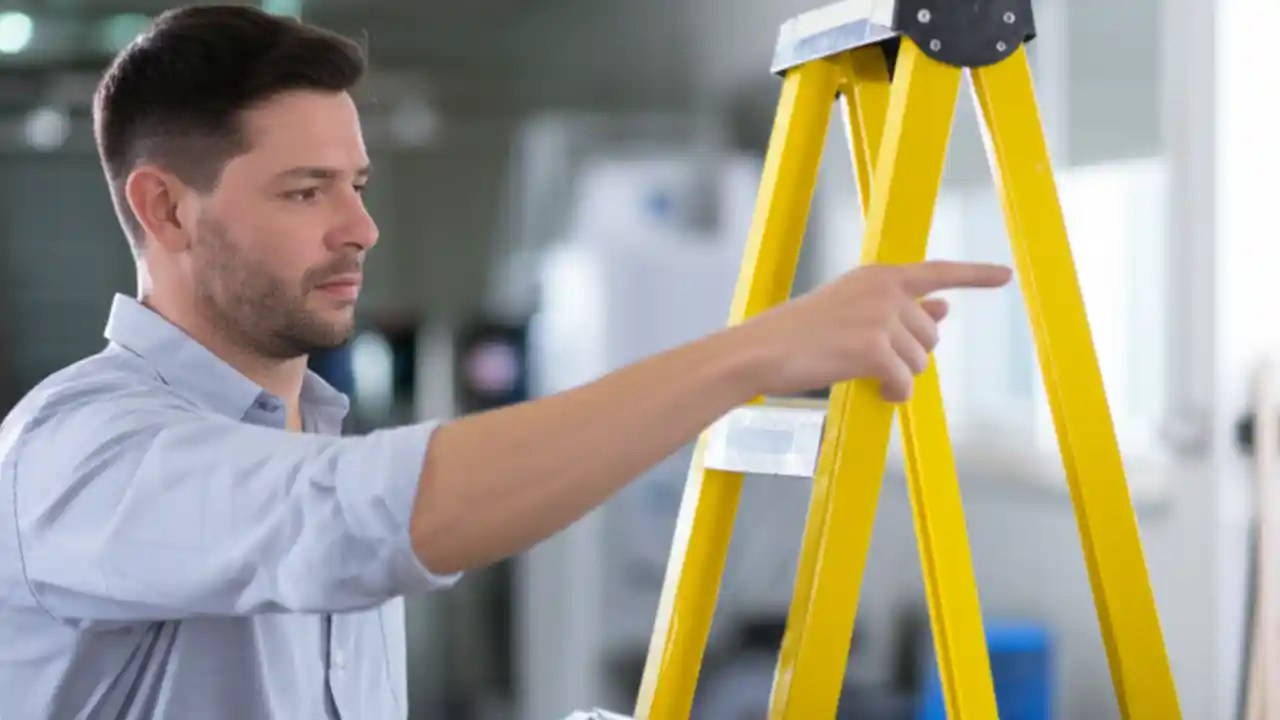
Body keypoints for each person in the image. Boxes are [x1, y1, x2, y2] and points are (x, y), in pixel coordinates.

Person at [0, 5, 1011, 720]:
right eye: (305, 191)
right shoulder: (79, 450)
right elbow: (345, 521)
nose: (361, 228)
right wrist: (753, 351)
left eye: (355, 183)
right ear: (165, 208)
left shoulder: (309, 422)